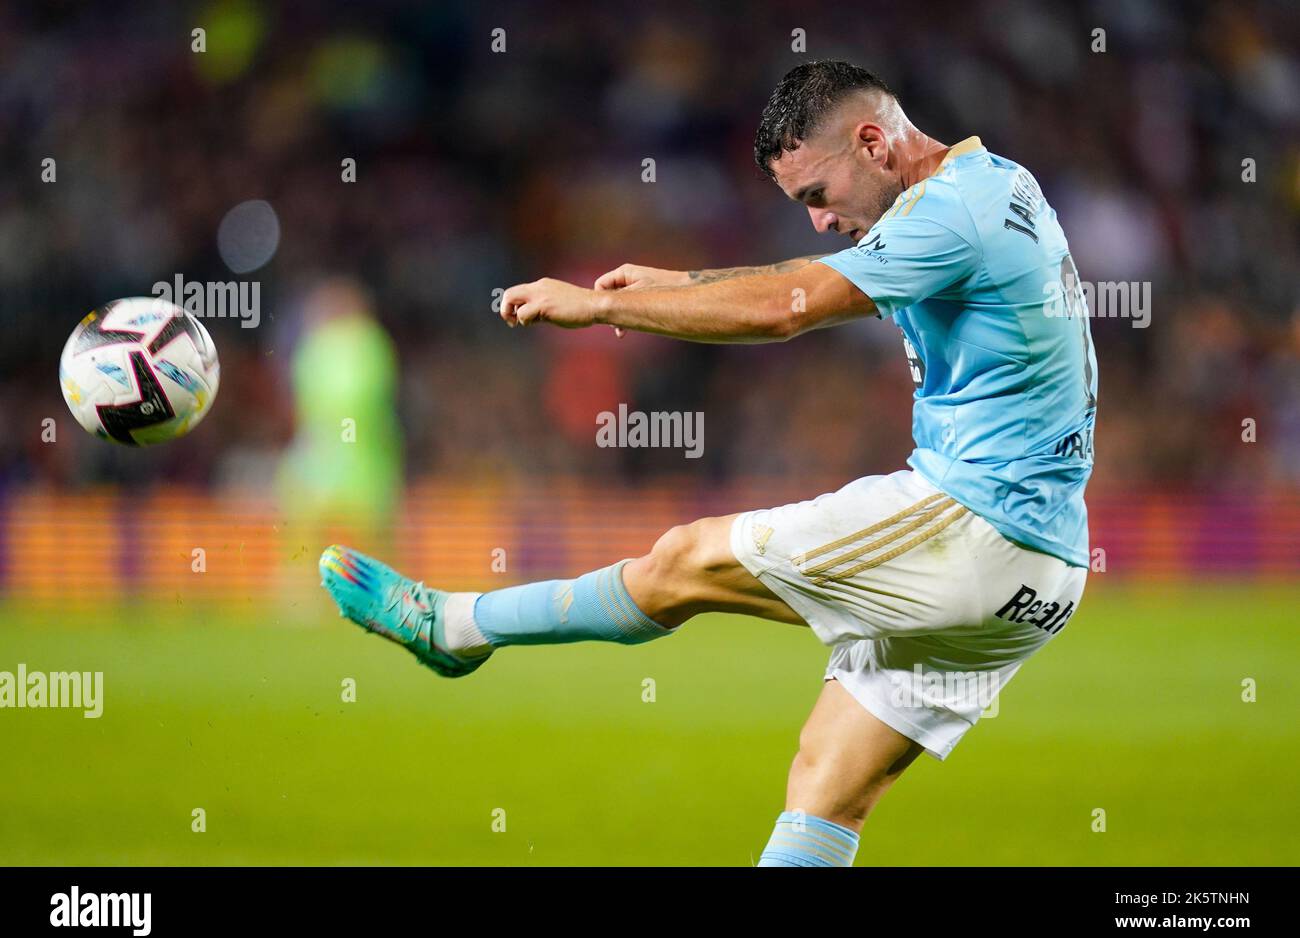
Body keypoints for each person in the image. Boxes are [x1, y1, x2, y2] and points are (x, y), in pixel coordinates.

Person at [319, 60, 1098, 867]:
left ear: (872, 142)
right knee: (828, 787)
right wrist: (682, 282)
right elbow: (796, 280)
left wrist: (606, 306)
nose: (821, 224)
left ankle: (455, 627)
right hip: (1043, 575)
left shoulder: (950, 214)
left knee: (684, 562)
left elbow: (784, 308)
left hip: (978, 528)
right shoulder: (994, 181)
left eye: (817, 198)